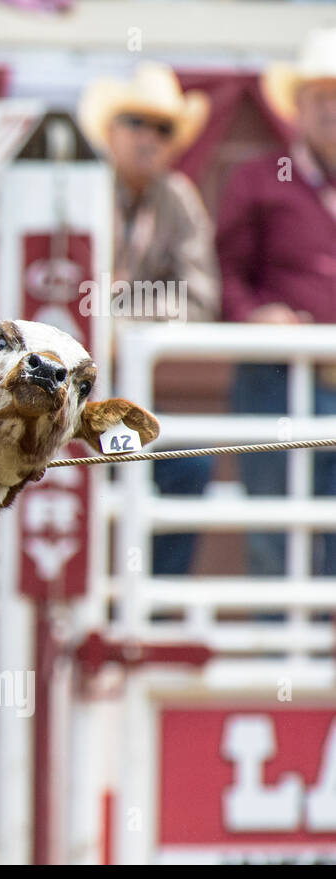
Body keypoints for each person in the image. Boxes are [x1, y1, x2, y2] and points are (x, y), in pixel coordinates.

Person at [78, 61, 220, 575]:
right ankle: (92, 606)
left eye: (162, 128)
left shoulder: (178, 197)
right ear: (111, 132)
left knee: (187, 468)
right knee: (66, 484)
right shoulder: (79, 189)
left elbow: (202, 299)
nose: (148, 138)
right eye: (136, 122)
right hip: (67, 391)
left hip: (130, 394)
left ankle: (150, 609)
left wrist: (124, 323)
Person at [218, 27, 336, 579]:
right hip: (275, 374)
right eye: (322, 96)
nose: (333, 108)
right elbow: (225, 272)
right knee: (273, 522)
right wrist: (255, 316)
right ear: (300, 106)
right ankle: (277, 650)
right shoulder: (258, 180)